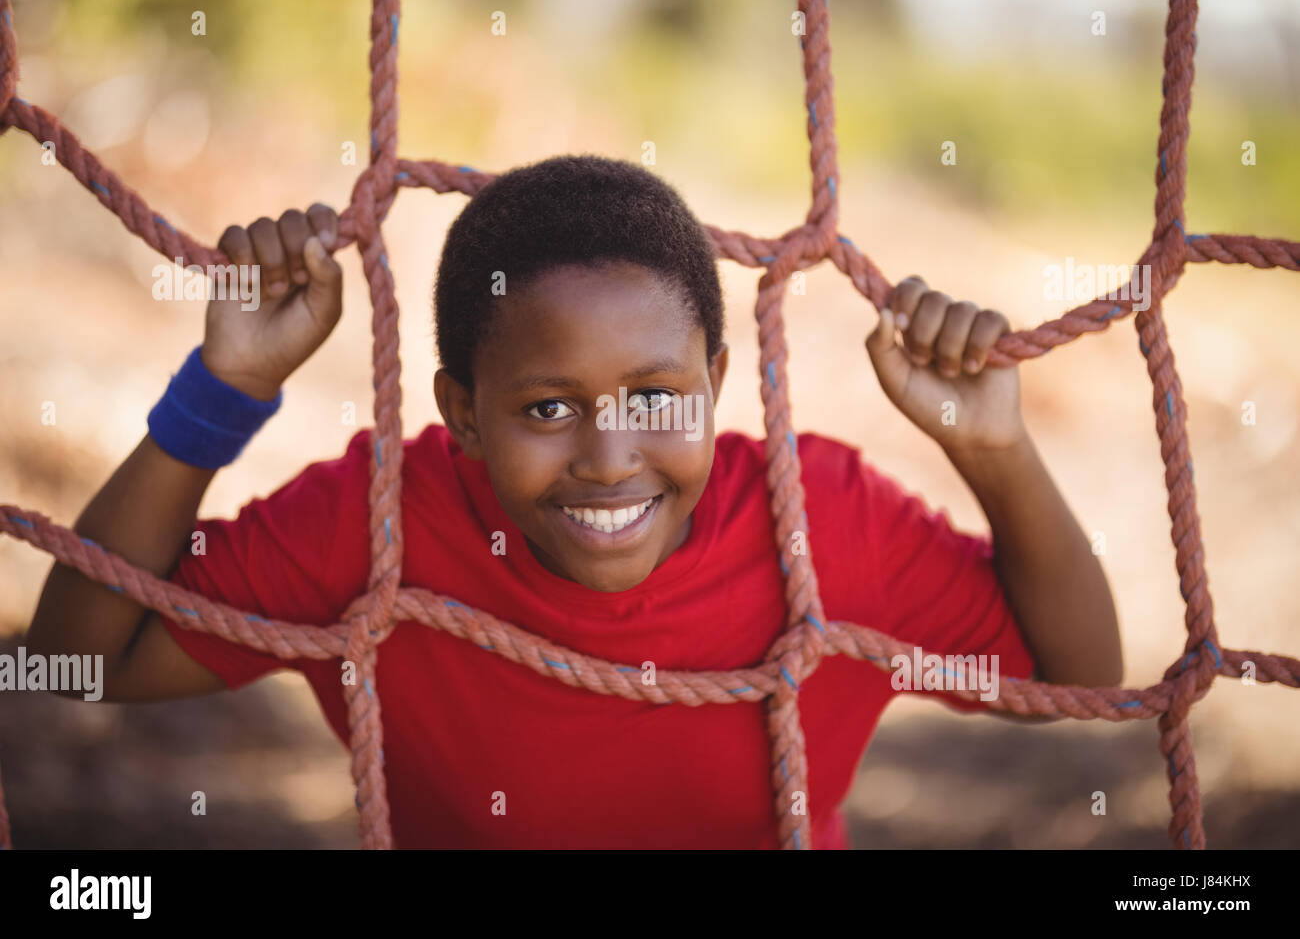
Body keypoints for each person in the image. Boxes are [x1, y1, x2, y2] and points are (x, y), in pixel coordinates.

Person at [26, 154, 1123, 848]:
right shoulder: (379, 524)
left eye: (656, 395)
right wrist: (224, 391)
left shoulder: (816, 524)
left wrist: (996, 450)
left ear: (719, 384)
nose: (609, 457)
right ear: (459, 411)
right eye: (547, 408)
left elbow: (1077, 681)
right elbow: (79, 666)